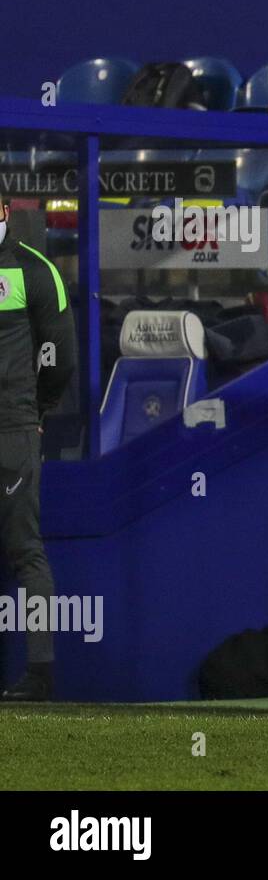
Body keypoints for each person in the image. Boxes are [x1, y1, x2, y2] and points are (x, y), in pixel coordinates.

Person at [0, 196, 77, 702]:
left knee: (27, 551)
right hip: (18, 428)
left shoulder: (35, 268)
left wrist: (36, 415)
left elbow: (60, 357)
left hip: (13, 430)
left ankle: (41, 674)